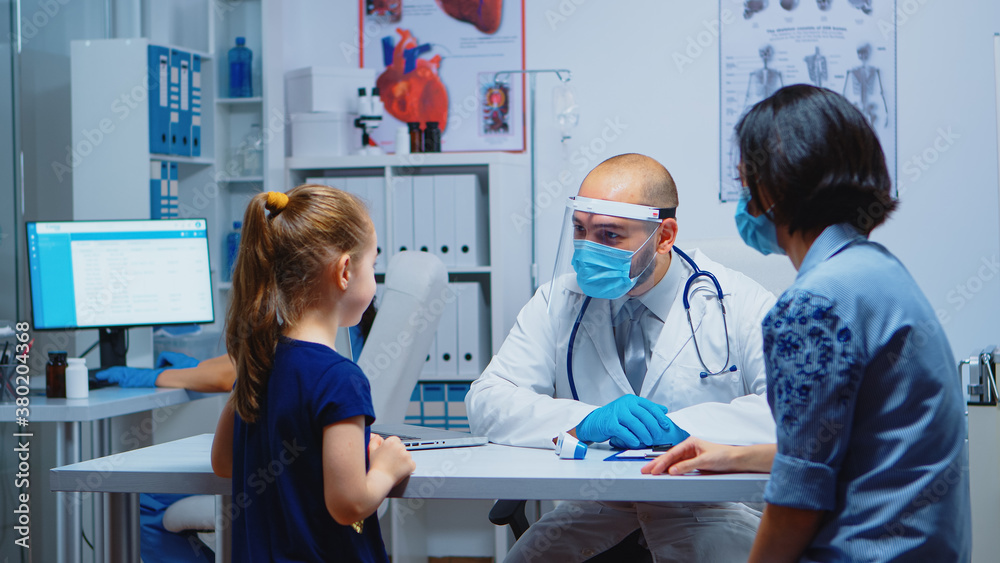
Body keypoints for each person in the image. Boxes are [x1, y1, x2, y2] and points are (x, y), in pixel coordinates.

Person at [643, 85, 971, 561]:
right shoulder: (877, 272)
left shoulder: (812, 305)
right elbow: (848, 451)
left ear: (775, 187)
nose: (743, 202)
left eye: (744, 183)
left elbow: (798, 503)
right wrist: (733, 455)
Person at [466, 153, 778, 562]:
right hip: (595, 512)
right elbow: (487, 399)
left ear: (664, 236)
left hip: (708, 517)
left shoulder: (736, 302)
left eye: (610, 236)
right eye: (580, 230)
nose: (588, 249)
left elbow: (790, 413)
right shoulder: (558, 299)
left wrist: (681, 431)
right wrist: (581, 421)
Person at [210, 186, 415, 562]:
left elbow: (224, 462)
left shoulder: (259, 362)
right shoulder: (340, 378)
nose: (374, 278)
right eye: (372, 265)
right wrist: (387, 467)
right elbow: (349, 504)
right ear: (344, 271)